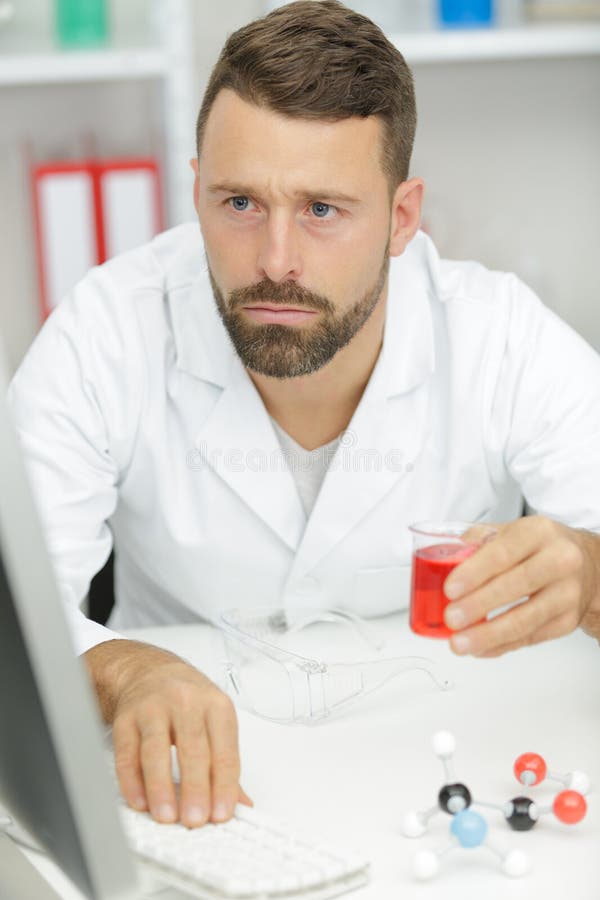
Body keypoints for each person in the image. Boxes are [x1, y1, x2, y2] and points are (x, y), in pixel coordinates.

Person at [7, 0, 600, 831]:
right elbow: (10, 611)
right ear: (196, 189)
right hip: (198, 804)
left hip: (455, 780)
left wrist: (590, 574)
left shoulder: (498, 334)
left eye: (323, 210)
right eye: (240, 203)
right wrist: (117, 666)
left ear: (401, 218)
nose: (275, 261)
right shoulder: (106, 330)